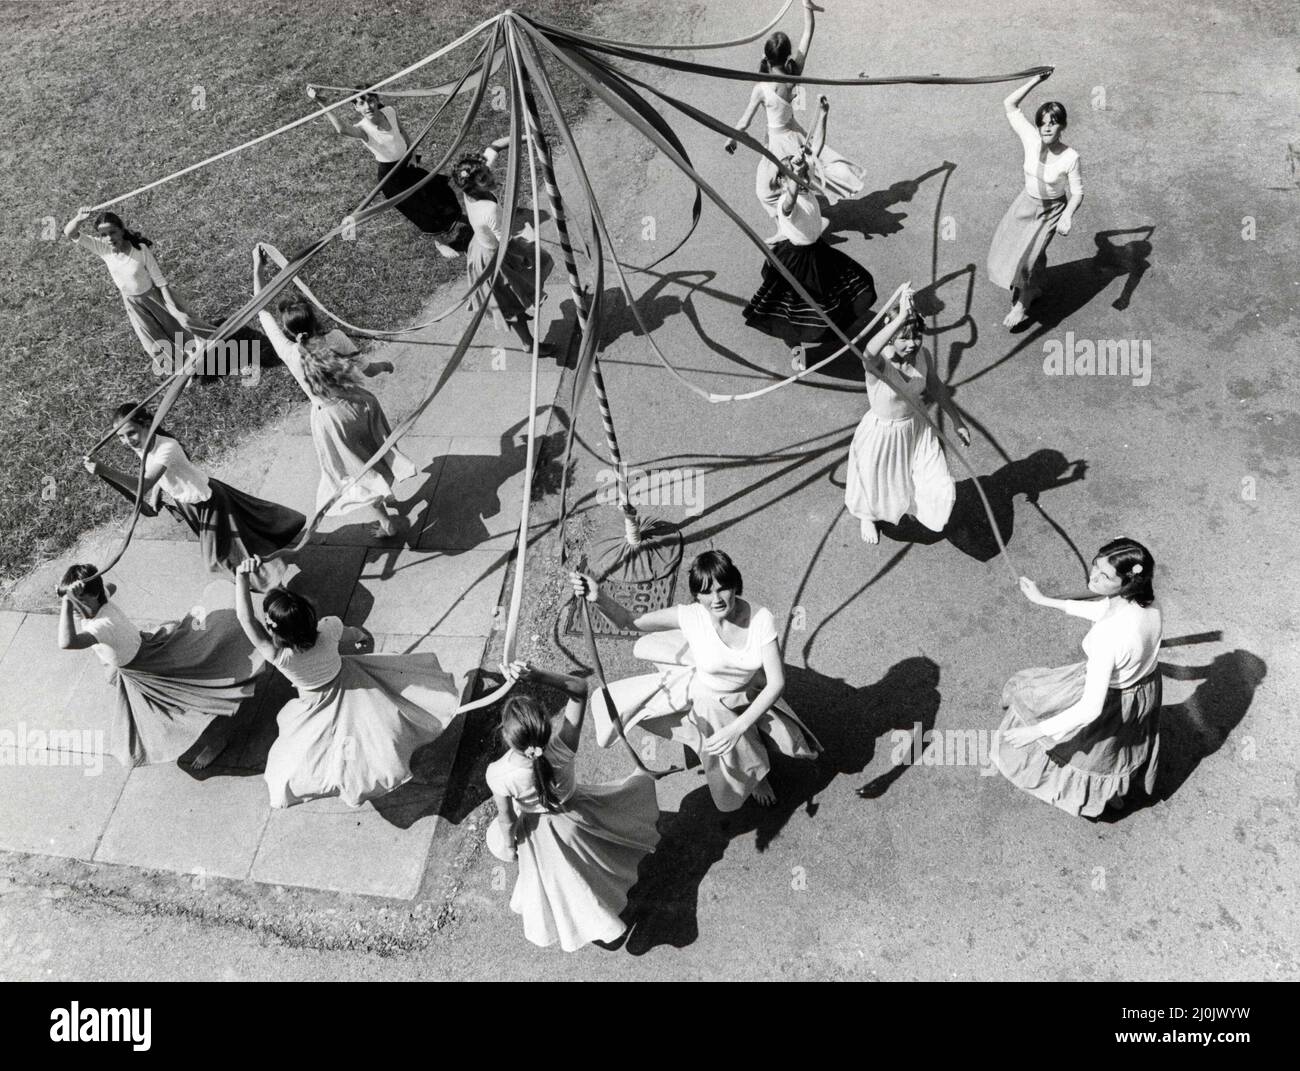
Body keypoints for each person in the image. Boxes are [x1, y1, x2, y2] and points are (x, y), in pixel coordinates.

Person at [569, 551, 821, 811]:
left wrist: (738, 727)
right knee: (731, 749)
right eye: (707, 593)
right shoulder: (690, 615)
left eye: (723, 589)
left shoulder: (761, 619)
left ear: (735, 585)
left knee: (774, 738)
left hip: (749, 692)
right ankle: (757, 777)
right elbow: (629, 621)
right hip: (707, 695)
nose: (717, 599)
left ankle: (748, 748)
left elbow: (776, 683)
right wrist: (598, 597)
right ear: (697, 596)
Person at [233, 559, 460, 808]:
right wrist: (361, 637)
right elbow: (351, 633)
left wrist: (241, 577)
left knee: (329, 744)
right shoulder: (329, 628)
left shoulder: (280, 657)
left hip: (314, 701)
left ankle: (348, 777)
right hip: (352, 680)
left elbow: (246, 619)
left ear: (274, 631)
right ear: (310, 617)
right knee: (374, 725)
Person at [486, 661, 660, 952]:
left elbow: (506, 820)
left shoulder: (498, 774)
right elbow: (580, 690)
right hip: (578, 812)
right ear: (545, 723)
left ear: (507, 736)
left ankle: (598, 924)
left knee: (566, 884)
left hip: (540, 833)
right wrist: (538, 675)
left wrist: (510, 847)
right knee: (595, 859)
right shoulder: (562, 747)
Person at [993, 539, 1163, 817]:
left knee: (1078, 740)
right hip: (1144, 687)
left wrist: (1034, 732)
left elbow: (1090, 708)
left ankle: (1082, 794)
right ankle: (1114, 791)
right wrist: (1044, 600)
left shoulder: (1107, 638)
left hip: (1111, 696)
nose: (1092, 577)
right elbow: (1103, 610)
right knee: (1116, 745)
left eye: (1104, 576)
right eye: (1096, 566)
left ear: (1127, 583)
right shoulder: (1149, 602)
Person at [254, 247, 415, 538]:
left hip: (332, 421)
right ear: (314, 319)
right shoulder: (336, 338)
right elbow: (367, 369)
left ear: (289, 331)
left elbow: (260, 308)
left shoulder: (291, 353)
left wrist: (258, 268)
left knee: (353, 469)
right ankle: (386, 493)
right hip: (362, 407)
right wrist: (385, 365)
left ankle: (385, 521)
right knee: (374, 449)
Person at [56, 564, 265, 769]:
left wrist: (67, 602)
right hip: (138, 653)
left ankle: (216, 741)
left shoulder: (102, 625)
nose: (72, 610)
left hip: (144, 666)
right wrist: (76, 595)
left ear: (91, 597)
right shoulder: (101, 600)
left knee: (177, 708)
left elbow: (67, 642)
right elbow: (110, 587)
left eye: (76, 604)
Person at [84, 403, 305, 591]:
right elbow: (158, 476)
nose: (126, 441)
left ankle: (273, 586)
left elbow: (144, 483)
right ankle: (271, 582)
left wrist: (105, 471)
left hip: (208, 502)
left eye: (130, 433)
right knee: (241, 541)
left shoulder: (167, 447)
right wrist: (157, 496)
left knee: (220, 557)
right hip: (191, 505)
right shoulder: (143, 443)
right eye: (121, 437)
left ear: (147, 425)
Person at [723, 1, 863, 236]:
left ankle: (786, 227)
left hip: (778, 143)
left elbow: (745, 121)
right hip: (794, 135)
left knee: (766, 190)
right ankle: (798, 219)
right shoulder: (794, 72)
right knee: (795, 179)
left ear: (766, 59)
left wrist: (732, 138)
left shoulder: (761, 88)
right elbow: (808, 33)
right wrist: (806, 7)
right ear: (786, 55)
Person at [845, 288, 971, 544]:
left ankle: (917, 507)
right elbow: (868, 351)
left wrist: (958, 422)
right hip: (884, 432)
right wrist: (901, 316)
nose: (913, 343)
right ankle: (867, 516)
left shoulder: (922, 356)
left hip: (917, 426)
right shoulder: (878, 364)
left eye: (917, 336)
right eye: (904, 338)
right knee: (877, 480)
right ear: (891, 338)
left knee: (934, 476)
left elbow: (935, 386)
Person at [741, 141, 877, 370]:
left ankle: (836, 324)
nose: (804, 178)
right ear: (783, 180)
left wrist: (823, 114)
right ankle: (797, 351)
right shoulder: (786, 203)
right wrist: (794, 172)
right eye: (796, 176)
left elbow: (818, 146)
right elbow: (792, 193)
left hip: (817, 251)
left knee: (846, 286)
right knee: (791, 312)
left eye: (804, 174)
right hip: (795, 260)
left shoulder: (804, 188)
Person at [309, 86, 471, 258]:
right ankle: (440, 243)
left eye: (370, 100)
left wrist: (412, 152)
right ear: (356, 108)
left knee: (438, 192)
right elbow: (342, 129)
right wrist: (322, 103)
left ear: (377, 100)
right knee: (421, 209)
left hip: (408, 165)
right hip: (392, 177)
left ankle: (460, 218)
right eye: (361, 103)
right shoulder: (363, 129)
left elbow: (401, 131)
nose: (368, 106)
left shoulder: (389, 111)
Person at [987, 70, 1083, 327]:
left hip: (1051, 211)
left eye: (1053, 122)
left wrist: (1067, 216)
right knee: (1010, 249)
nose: (1047, 127)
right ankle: (1035, 287)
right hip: (1025, 203)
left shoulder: (1070, 157)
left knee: (1028, 257)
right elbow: (1010, 104)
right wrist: (1036, 80)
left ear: (1062, 125)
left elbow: (1078, 192)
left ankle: (1022, 304)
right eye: (1042, 122)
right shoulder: (1031, 138)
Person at [63, 208, 217, 364]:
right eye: (103, 235)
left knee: (178, 327)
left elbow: (160, 281)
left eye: (113, 232)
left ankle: (208, 346)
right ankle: (181, 367)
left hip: (154, 297)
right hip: (132, 302)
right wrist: (79, 218)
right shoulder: (103, 249)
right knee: (152, 338)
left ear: (122, 230)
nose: (109, 238)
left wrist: (173, 308)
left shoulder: (140, 250)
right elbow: (70, 233)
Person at [452, 138, 555, 356]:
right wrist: (528, 240)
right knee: (511, 298)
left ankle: (525, 310)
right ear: (470, 185)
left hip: (483, 245)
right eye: (483, 179)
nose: (490, 178)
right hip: (493, 257)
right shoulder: (488, 210)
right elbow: (506, 243)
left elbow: (495, 145)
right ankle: (529, 343)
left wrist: (528, 136)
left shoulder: (473, 182)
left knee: (519, 288)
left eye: (487, 173)